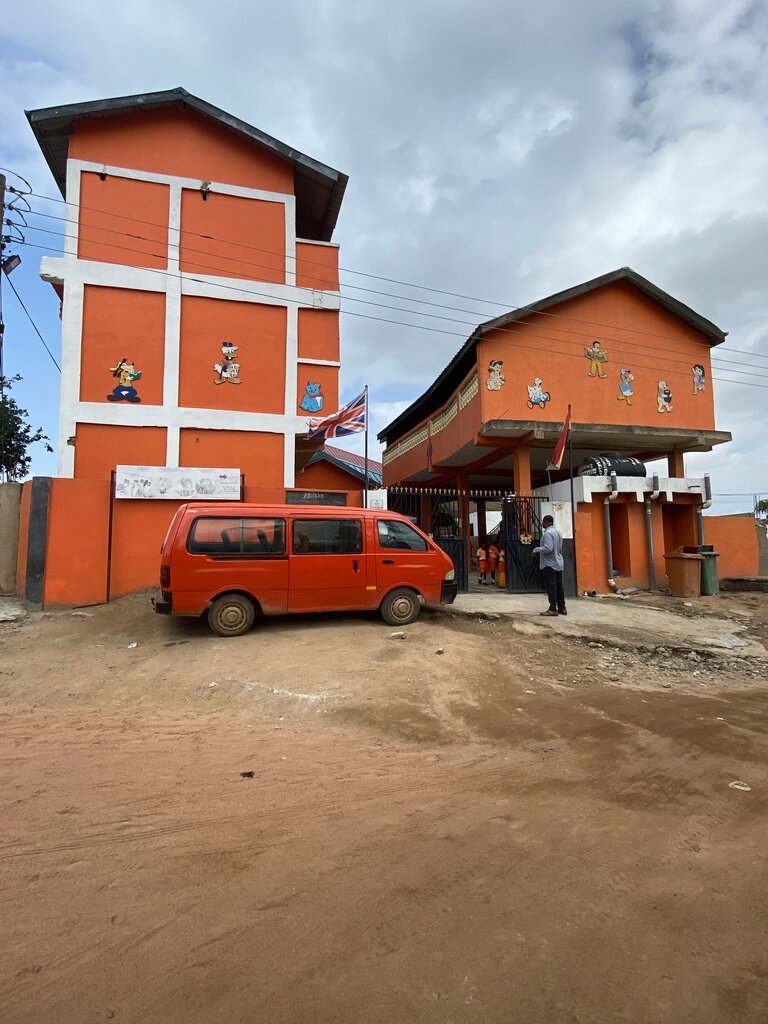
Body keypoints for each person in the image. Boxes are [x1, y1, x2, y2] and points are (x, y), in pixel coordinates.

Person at [532, 515, 566, 616]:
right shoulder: (558, 533)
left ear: (546, 522)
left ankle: (552, 608)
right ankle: (562, 607)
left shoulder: (547, 534)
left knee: (551, 587)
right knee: (559, 586)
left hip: (549, 564)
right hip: (558, 562)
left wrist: (536, 550)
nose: (542, 524)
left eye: (543, 522)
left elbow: (548, 548)